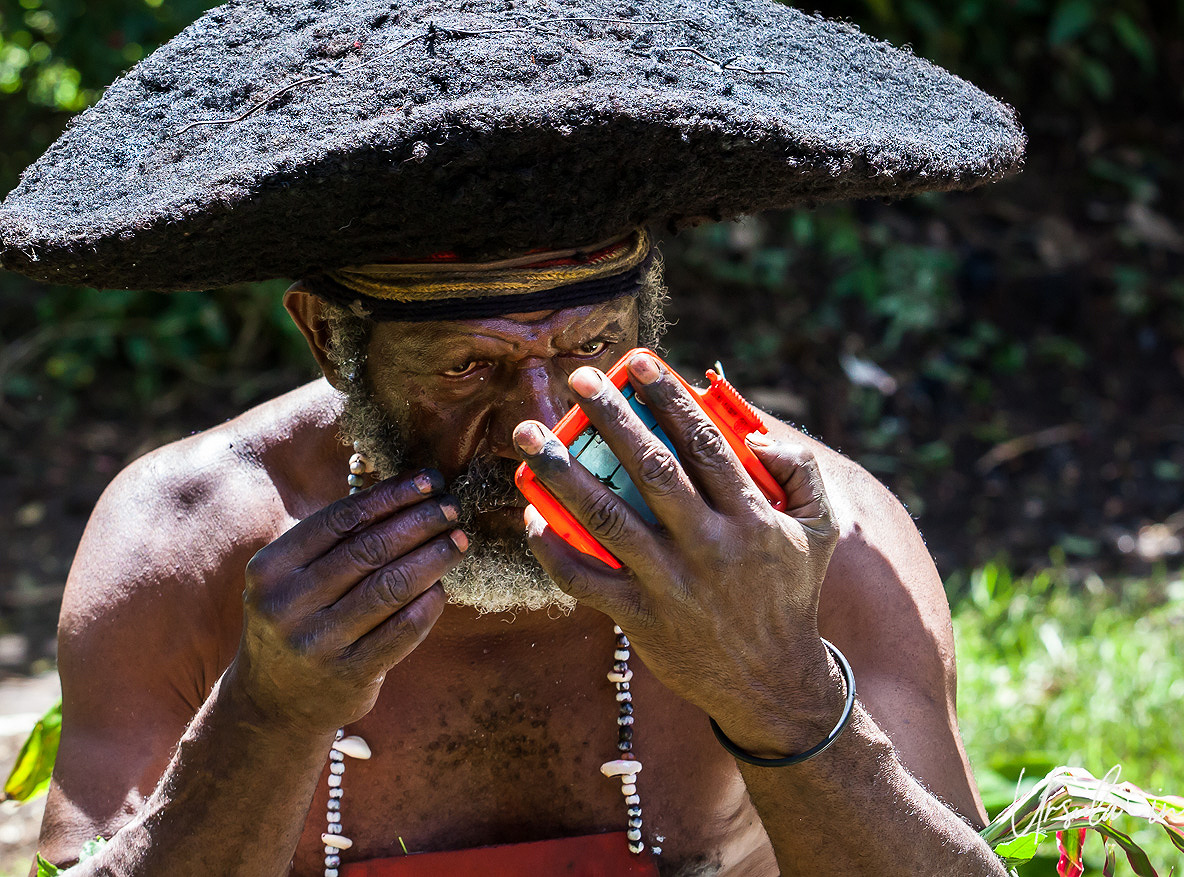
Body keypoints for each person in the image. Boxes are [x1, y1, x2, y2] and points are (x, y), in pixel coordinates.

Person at [0, 1, 1025, 874]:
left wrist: (780, 689)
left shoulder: (801, 546)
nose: (536, 424)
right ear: (328, 340)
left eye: (592, 346)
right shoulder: (185, 541)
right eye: (467, 367)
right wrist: (264, 718)